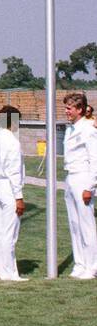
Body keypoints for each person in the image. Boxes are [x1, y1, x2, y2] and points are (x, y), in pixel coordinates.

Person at [0, 105, 26, 281]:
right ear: (14, 122)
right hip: (9, 188)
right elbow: (14, 172)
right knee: (10, 232)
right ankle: (9, 272)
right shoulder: (12, 143)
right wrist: (19, 197)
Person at [62, 92, 97, 279]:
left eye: (69, 108)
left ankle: (92, 266)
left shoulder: (88, 129)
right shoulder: (70, 129)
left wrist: (89, 186)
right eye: (66, 108)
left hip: (83, 177)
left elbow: (94, 159)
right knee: (74, 224)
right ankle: (80, 263)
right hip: (70, 176)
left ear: (80, 109)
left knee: (86, 225)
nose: (66, 111)